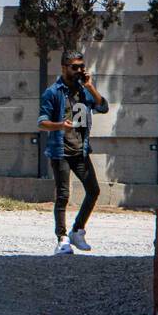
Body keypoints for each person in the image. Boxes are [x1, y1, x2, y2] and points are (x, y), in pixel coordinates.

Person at [38, 49, 109, 254]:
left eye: (81, 66)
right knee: (63, 196)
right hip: (60, 151)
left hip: (81, 150)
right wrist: (61, 125)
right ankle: (61, 239)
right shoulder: (52, 92)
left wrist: (90, 86)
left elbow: (103, 107)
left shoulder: (84, 91)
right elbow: (42, 122)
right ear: (64, 68)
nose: (79, 70)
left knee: (93, 190)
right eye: (75, 67)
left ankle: (77, 230)